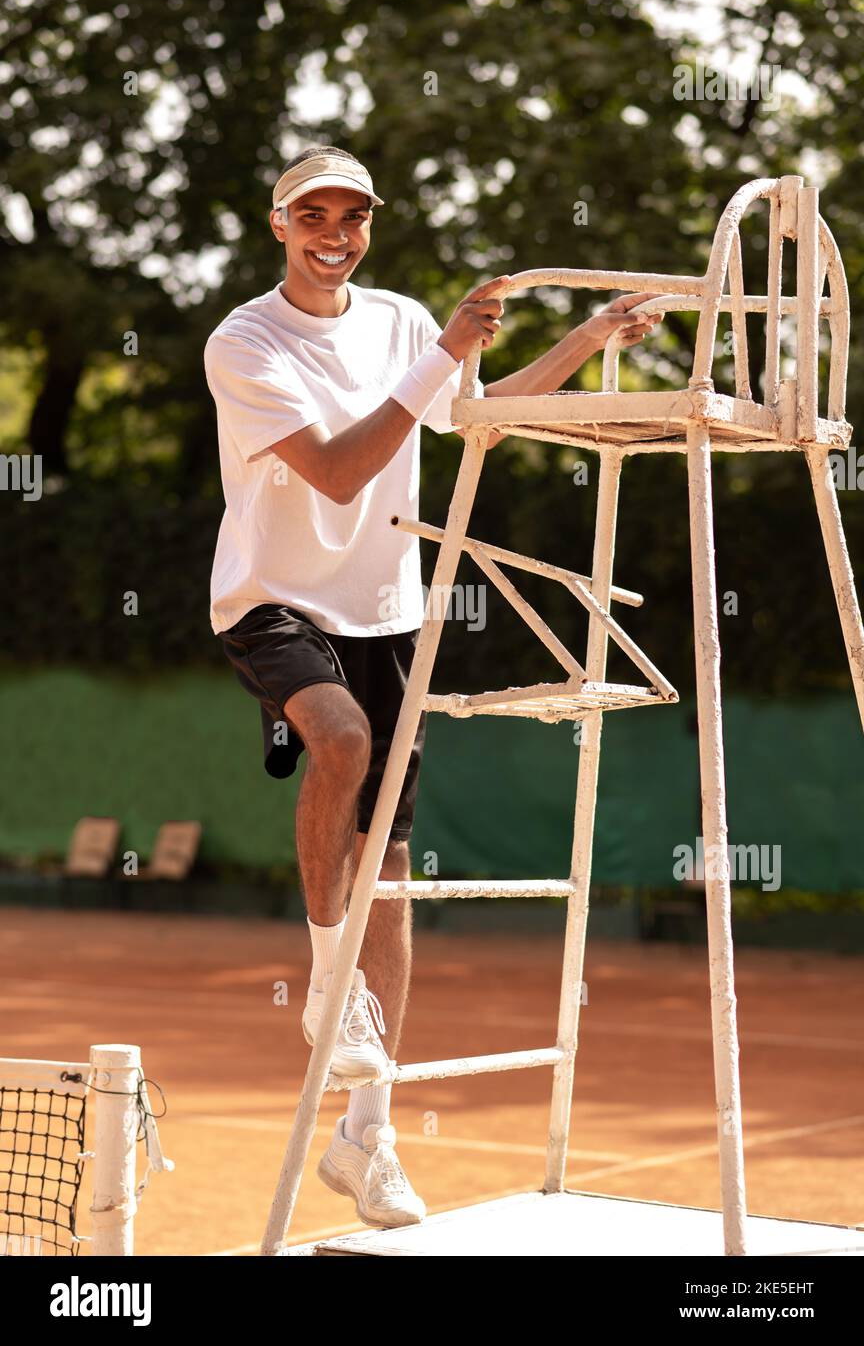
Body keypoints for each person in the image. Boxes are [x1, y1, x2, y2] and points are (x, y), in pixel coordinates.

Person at [204, 145, 659, 1229]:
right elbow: (343, 468)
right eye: (313, 212)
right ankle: (325, 982)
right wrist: (447, 349)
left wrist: (583, 339)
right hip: (271, 597)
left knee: (394, 871)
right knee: (341, 740)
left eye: (353, 215)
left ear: (370, 225)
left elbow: (476, 416)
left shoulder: (405, 319)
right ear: (279, 224)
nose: (335, 231)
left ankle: (369, 1139)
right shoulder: (244, 339)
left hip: (388, 608)